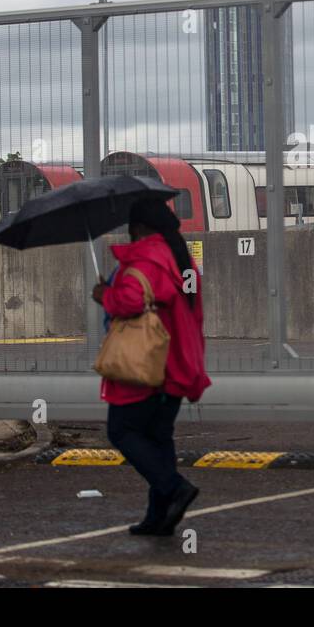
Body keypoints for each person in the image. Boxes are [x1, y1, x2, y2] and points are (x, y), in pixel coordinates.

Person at [91, 197, 210, 536]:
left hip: (145, 365)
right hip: (175, 364)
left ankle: (174, 488)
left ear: (140, 229)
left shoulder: (146, 259)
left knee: (122, 431)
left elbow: (129, 301)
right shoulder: (180, 260)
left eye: (130, 231)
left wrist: (105, 296)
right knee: (158, 437)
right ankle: (159, 516)